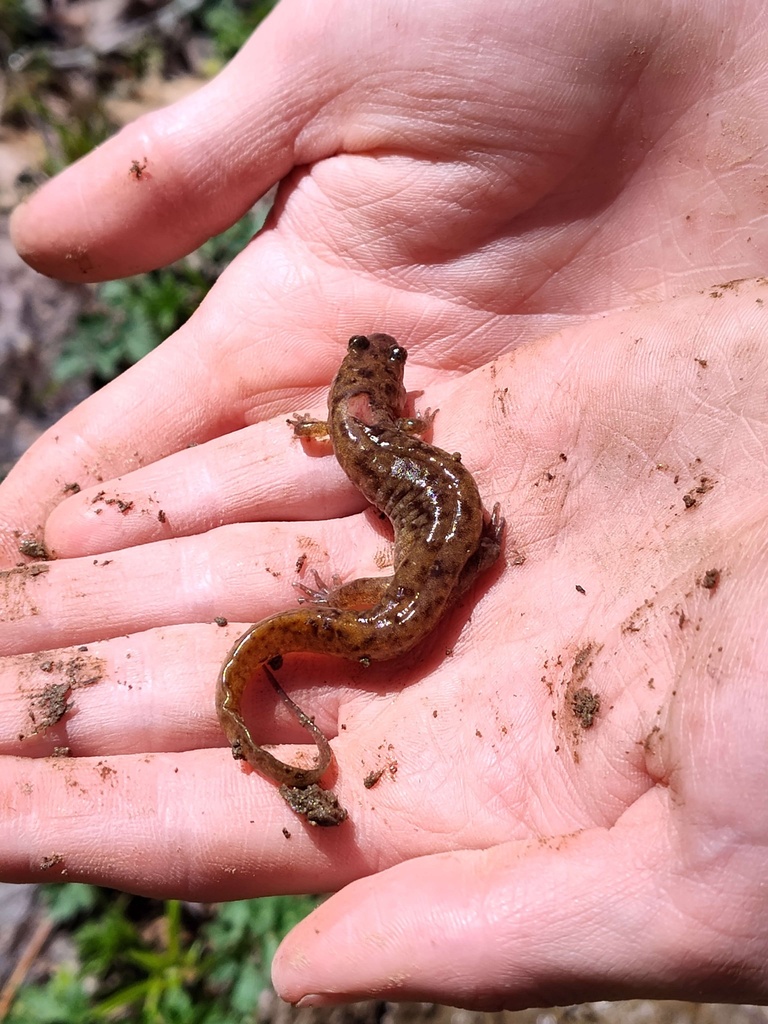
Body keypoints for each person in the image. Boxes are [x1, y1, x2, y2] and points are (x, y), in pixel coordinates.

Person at [3, 0, 768, 1009]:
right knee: (420, 574)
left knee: (419, 576)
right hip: (424, 570)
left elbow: (366, 446)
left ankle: (278, 684)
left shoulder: (358, 435)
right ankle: (269, 695)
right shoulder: (382, 439)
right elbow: (389, 452)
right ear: (371, 404)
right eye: (376, 372)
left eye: (379, 374)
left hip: (423, 574)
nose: (382, 379)